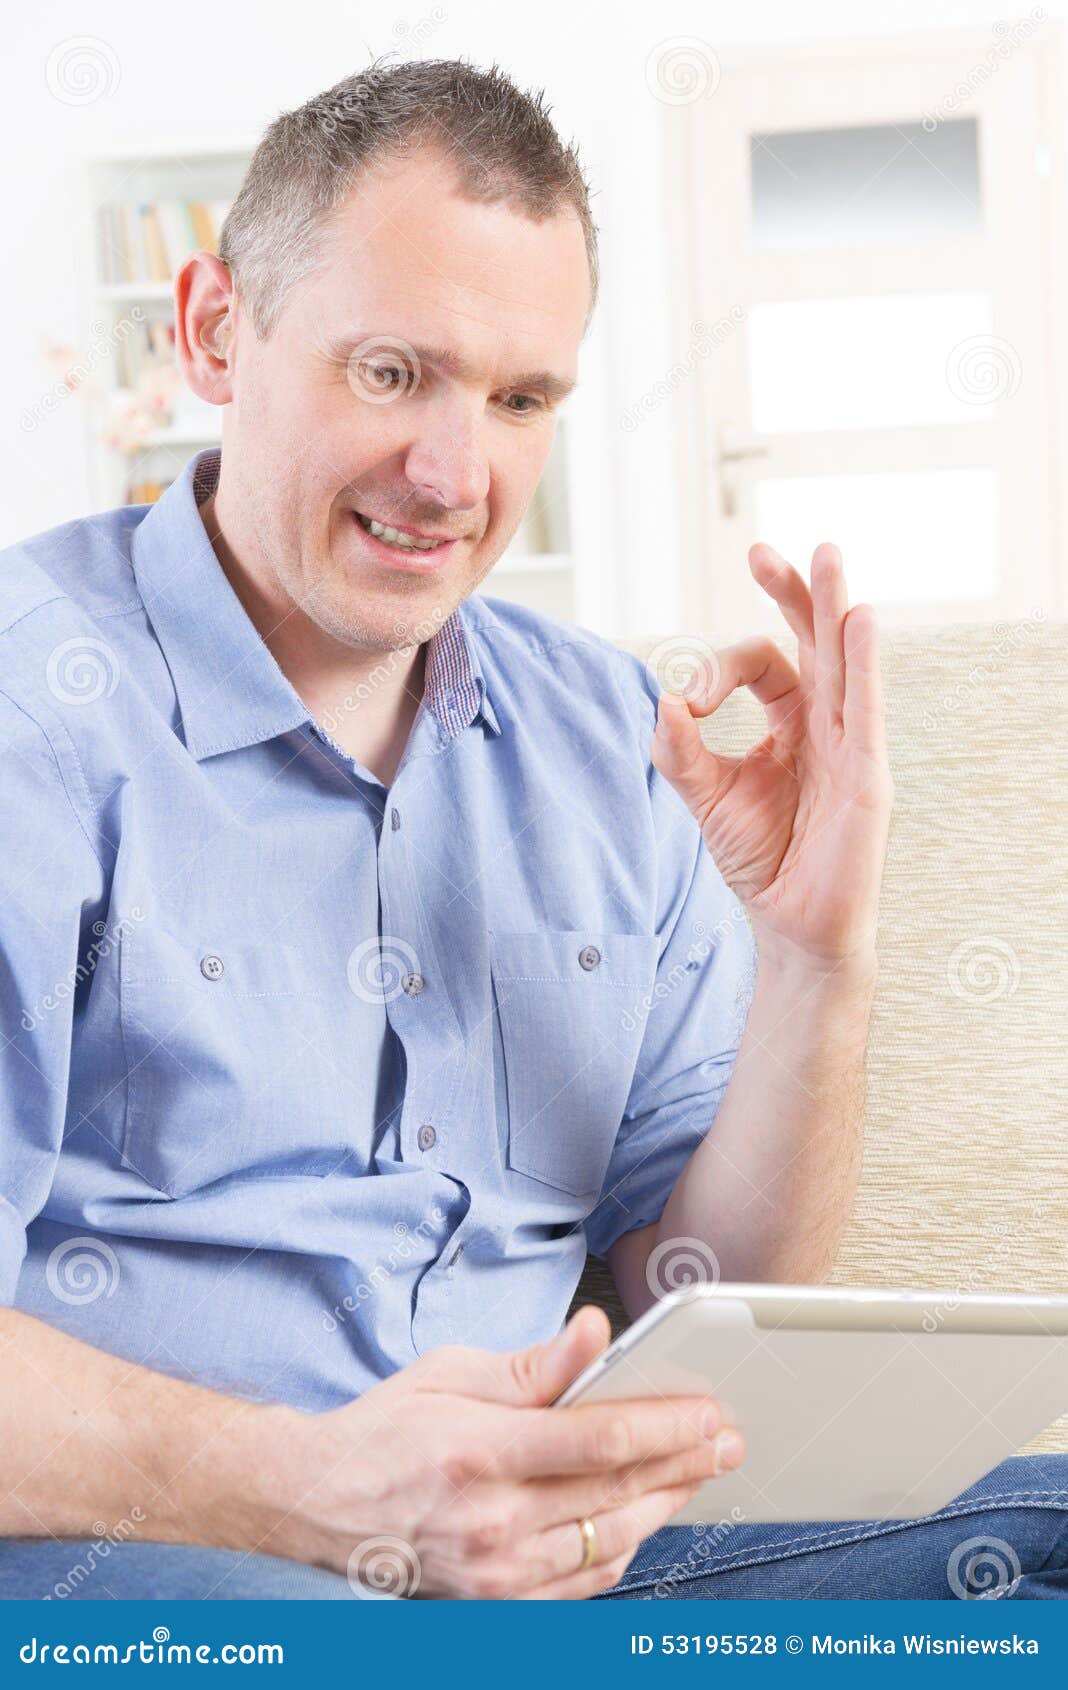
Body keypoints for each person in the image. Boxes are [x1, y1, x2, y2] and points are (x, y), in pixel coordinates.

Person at [0, 58, 1064, 1603]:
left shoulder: (609, 742)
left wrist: (817, 959)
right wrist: (315, 1490)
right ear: (216, 331)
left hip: (575, 1563)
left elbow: (702, 1302)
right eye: (392, 374)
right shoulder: (39, 710)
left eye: (519, 399)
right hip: (187, 1576)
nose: (455, 476)